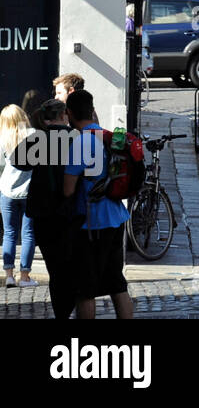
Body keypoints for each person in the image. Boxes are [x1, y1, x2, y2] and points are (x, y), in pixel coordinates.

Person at [62, 90, 132, 319]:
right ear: (92, 110)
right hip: (116, 216)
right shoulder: (108, 136)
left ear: (69, 113)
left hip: (92, 225)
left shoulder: (81, 142)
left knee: (85, 288)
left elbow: (68, 190)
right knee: (116, 282)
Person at [19, 100, 76, 316]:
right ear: (64, 115)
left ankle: (61, 311)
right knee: (69, 265)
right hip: (69, 212)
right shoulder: (75, 137)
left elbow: (18, 161)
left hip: (43, 212)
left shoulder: (39, 139)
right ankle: (69, 308)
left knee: (55, 268)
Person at [0, 105, 37, 288]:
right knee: (28, 234)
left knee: (9, 233)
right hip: (30, 192)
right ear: (23, 115)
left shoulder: (2, 137)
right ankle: (24, 276)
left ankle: (8, 276)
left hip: (7, 190)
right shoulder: (33, 134)